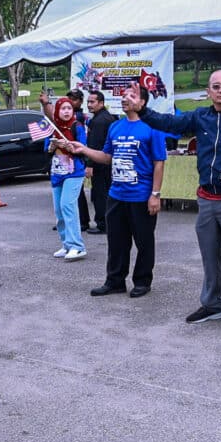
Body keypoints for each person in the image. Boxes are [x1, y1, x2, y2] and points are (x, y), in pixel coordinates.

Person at [136, 69, 221, 332]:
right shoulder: (200, 117)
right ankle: (213, 305)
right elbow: (169, 124)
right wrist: (143, 110)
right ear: (208, 92)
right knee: (210, 256)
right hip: (207, 200)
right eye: (216, 86)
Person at [64, 86, 169, 297]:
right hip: (117, 194)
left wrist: (155, 195)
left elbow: (159, 163)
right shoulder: (116, 127)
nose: (125, 99)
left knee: (144, 241)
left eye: (131, 96)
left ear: (143, 102)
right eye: (123, 96)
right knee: (117, 242)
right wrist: (82, 149)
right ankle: (115, 281)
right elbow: (106, 157)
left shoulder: (152, 127)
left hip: (141, 195)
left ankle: (142, 281)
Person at [42, 93, 87, 261]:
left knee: (67, 205)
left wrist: (69, 146)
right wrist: (53, 145)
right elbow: (46, 150)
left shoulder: (77, 126)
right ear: (57, 111)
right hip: (57, 172)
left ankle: (77, 246)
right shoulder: (53, 128)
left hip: (74, 172)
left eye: (69, 108)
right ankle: (66, 244)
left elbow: (83, 148)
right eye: (63, 108)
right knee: (59, 210)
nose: (66, 112)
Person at [81, 89, 114, 235]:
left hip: (100, 163)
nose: (89, 104)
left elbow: (94, 144)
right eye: (88, 102)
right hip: (106, 162)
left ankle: (103, 224)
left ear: (101, 103)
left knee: (100, 194)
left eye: (92, 102)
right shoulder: (106, 117)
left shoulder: (100, 121)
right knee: (105, 193)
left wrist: (89, 165)